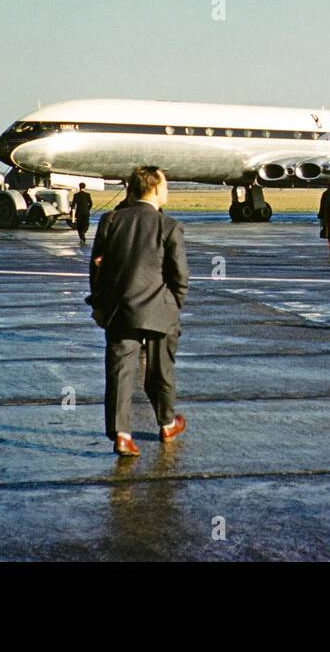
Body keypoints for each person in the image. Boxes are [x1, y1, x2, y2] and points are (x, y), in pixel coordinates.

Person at [88, 166, 189, 457]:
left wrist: (100, 306)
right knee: (160, 373)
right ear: (155, 188)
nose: (168, 190)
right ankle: (167, 423)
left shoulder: (110, 221)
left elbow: (97, 269)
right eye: (166, 185)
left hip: (120, 312)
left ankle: (121, 434)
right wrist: (173, 306)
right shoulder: (169, 226)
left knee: (120, 374)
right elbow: (180, 276)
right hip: (160, 311)